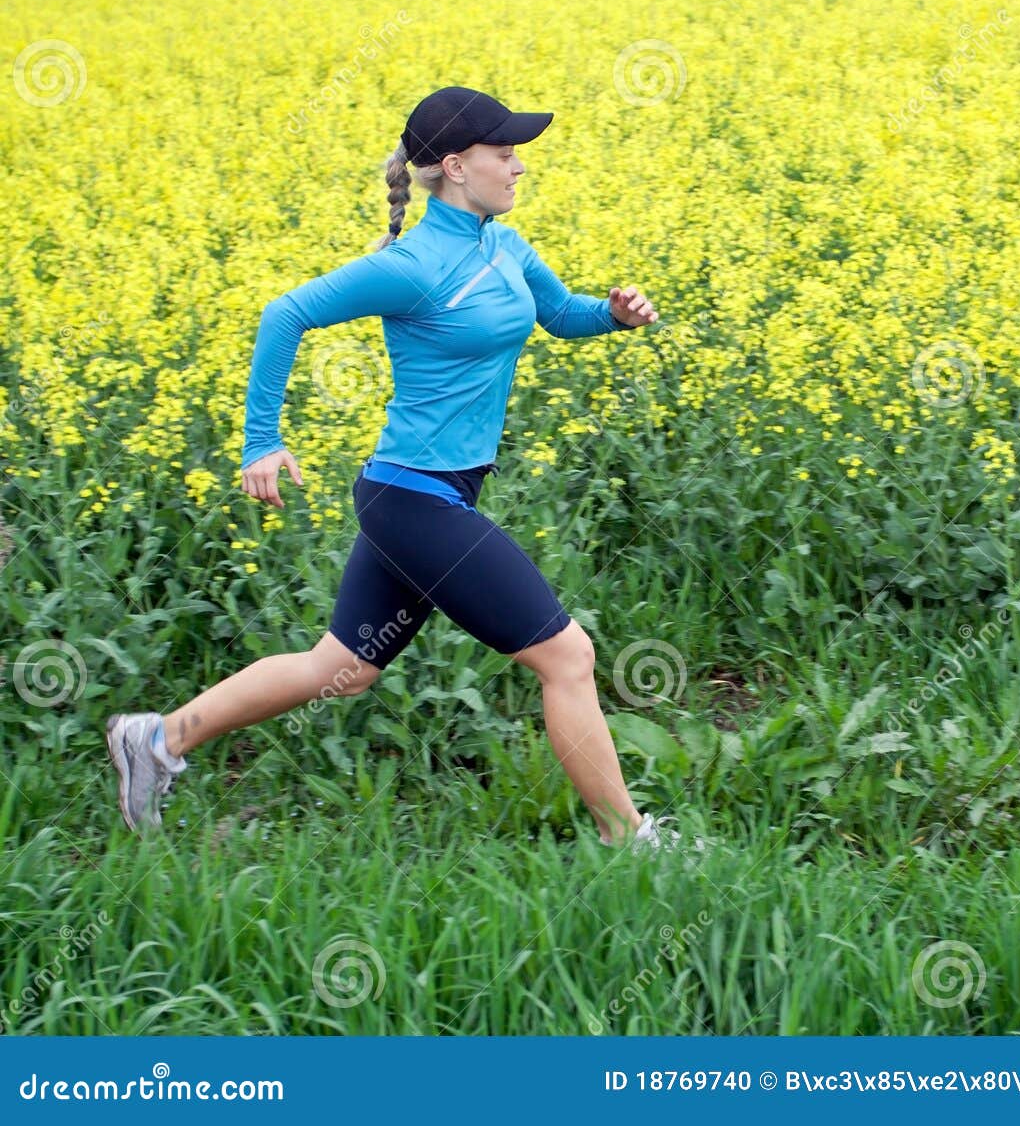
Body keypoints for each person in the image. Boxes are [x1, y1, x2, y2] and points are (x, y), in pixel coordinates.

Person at [106, 86, 704, 855]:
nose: (519, 168)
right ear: (455, 166)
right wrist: (261, 440)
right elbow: (285, 312)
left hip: (432, 495)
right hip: (414, 501)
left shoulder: (502, 245)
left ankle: (156, 739)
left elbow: (559, 315)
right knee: (568, 655)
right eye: (505, 153)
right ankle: (631, 843)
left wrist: (615, 315)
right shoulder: (417, 266)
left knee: (342, 667)